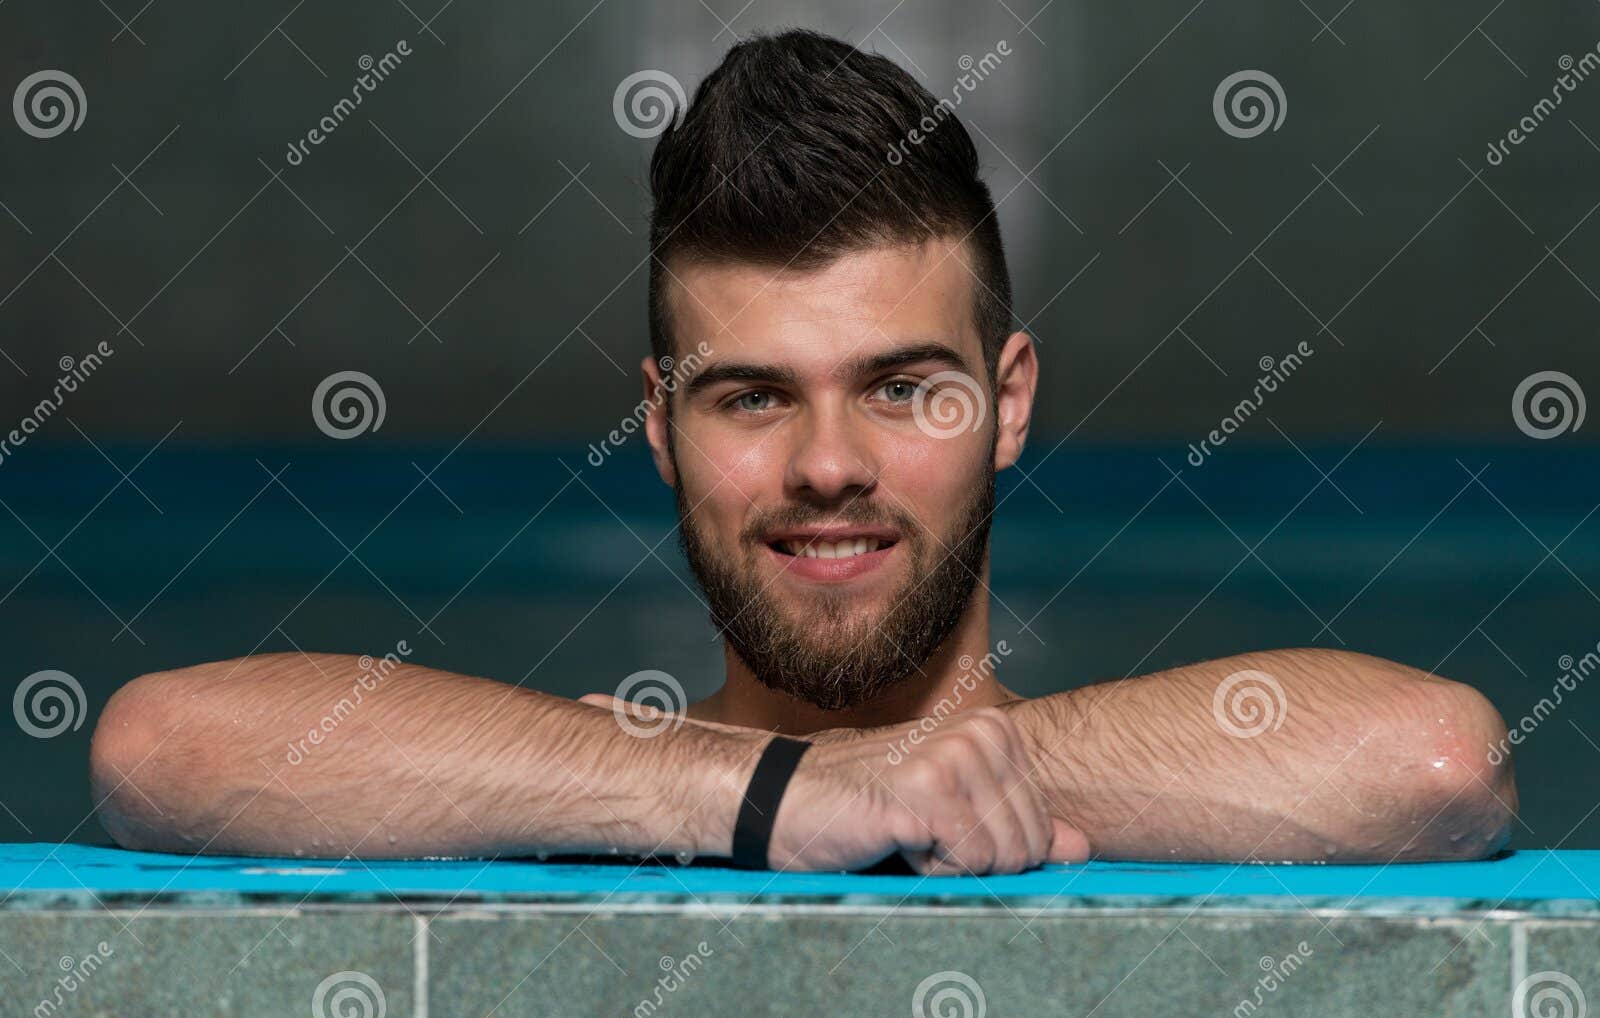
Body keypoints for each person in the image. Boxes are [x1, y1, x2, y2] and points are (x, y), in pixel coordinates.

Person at [89, 30, 1516, 876]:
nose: (829, 463)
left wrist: (898, 776)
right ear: (658, 424)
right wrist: (757, 788)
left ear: (1009, 402)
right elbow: (160, 749)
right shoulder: (612, 784)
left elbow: (1437, 759)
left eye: (903, 387)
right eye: (753, 397)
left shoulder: (1079, 796)